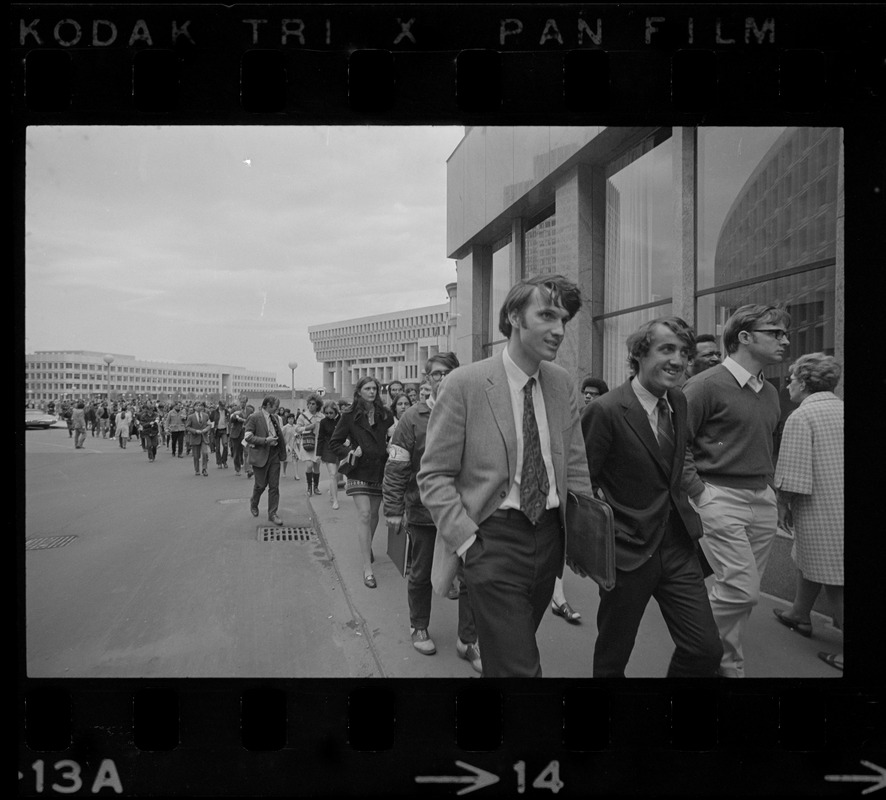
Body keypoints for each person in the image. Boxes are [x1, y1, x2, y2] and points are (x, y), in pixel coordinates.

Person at [418, 274, 592, 678]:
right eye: (547, 315)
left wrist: (581, 537)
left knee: (507, 655)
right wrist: (467, 543)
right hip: (491, 541)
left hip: (549, 538)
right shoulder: (465, 383)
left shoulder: (562, 383)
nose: (558, 330)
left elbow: (575, 465)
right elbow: (433, 476)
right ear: (515, 316)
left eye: (564, 320)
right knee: (522, 669)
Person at [580, 317, 722, 677]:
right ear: (639, 354)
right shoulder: (606, 410)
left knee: (705, 650)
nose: (678, 360)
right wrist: (599, 549)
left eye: (684, 352)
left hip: (677, 546)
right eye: (667, 349)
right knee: (613, 656)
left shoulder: (678, 400)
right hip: (628, 552)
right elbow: (582, 485)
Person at [683, 303, 790, 678]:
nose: (785, 340)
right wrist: (700, 494)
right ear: (744, 337)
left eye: (784, 333)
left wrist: (772, 493)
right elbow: (676, 445)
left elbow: (764, 444)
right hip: (719, 498)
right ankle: (699, 650)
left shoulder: (772, 392)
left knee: (740, 592)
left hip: (761, 498)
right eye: (775, 333)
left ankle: (724, 664)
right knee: (743, 591)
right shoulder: (704, 385)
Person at [384, 352, 481, 672]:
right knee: (421, 572)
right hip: (424, 512)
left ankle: (468, 640)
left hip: (464, 512)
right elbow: (397, 466)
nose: (442, 379)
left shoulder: (471, 412)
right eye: (436, 374)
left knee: (471, 576)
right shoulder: (412, 418)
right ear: (427, 379)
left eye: (448, 373)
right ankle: (419, 625)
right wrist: (394, 508)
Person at [771, 353, 844, 671]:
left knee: (835, 579)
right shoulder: (842, 409)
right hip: (839, 503)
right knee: (810, 562)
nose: (788, 386)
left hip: (820, 508)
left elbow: (793, 475)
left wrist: (783, 504)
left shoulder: (802, 417)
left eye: (790, 380)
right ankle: (799, 614)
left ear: (803, 382)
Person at [330, 377, 393, 588]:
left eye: (375, 388)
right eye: (367, 388)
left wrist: (391, 446)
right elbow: (334, 443)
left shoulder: (386, 415)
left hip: (379, 469)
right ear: (359, 391)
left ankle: (367, 546)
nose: (372, 391)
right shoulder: (349, 415)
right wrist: (349, 451)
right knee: (364, 514)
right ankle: (367, 568)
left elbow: (395, 436)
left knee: (374, 514)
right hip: (358, 469)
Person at [244, 395, 287, 525]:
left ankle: (272, 513)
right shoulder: (254, 417)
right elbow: (248, 437)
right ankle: (254, 502)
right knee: (261, 485)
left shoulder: (275, 418)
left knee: (274, 486)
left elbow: (279, 435)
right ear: (268, 405)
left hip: (274, 455)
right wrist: (264, 441)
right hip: (260, 455)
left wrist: (282, 450)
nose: (277, 409)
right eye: (275, 406)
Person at [295, 396, 324, 496]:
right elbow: (297, 429)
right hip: (307, 442)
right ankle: (309, 486)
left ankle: (316, 486)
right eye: (309, 404)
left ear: (317, 405)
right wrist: (307, 427)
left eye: (313, 404)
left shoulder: (321, 416)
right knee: (309, 465)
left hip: (318, 443)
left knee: (317, 466)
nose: (310, 406)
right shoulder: (302, 416)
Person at [317, 401, 342, 510]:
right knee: (333, 474)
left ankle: (332, 492)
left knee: (337, 474)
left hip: (341, 449)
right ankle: (335, 500)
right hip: (328, 449)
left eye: (331, 413)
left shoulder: (343, 420)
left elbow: (350, 433)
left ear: (336, 411)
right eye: (326, 413)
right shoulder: (323, 422)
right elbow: (320, 438)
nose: (328, 415)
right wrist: (318, 454)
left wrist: (348, 441)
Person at [186, 401, 213, 476]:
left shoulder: (206, 415)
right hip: (195, 437)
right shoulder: (191, 417)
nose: (199, 407)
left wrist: (206, 429)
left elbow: (209, 424)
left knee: (205, 453)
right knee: (196, 455)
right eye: (197, 405)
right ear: (194, 407)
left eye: (200, 406)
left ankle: (204, 469)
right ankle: (197, 469)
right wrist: (195, 431)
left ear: (203, 407)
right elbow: (187, 427)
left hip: (204, 437)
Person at [228, 399, 249, 476]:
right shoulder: (234, 409)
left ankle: (248, 469)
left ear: (246, 402)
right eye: (241, 402)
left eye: (244, 402)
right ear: (239, 402)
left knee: (247, 452)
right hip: (236, 433)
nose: (243, 403)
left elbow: (252, 420)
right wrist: (235, 416)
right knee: (236, 452)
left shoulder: (250, 410)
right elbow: (231, 420)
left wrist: (244, 420)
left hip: (246, 433)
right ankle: (237, 468)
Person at [211, 400, 230, 469]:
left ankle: (224, 461)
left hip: (224, 430)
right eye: (222, 406)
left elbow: (229, 420)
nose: (223, 407)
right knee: (217, 447)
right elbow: (211, 421)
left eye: (224, 406)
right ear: (219, 405)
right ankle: (219, 462)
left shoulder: (227, 412)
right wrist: (212, 430)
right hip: (217, 430)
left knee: (225, 445)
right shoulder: (214, 412)